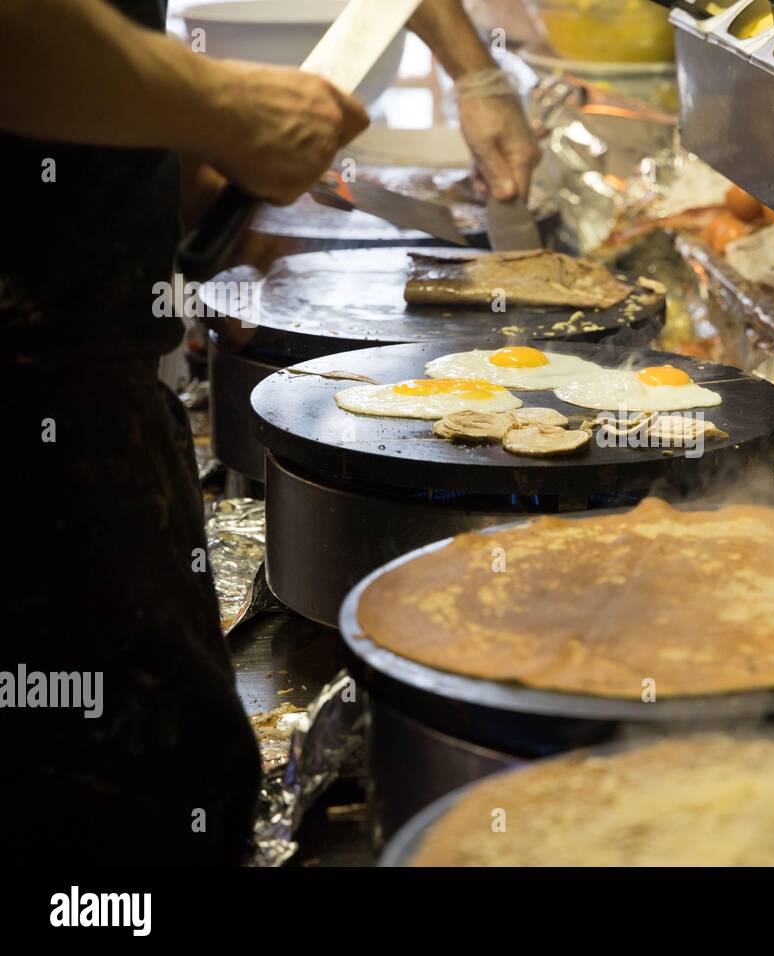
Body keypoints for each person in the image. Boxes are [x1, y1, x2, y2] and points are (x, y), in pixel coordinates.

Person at [0, 0, 539, 864]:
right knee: (112, 819)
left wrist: (169, 178)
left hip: (93, 376)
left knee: (179, 784)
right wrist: (216, 102)